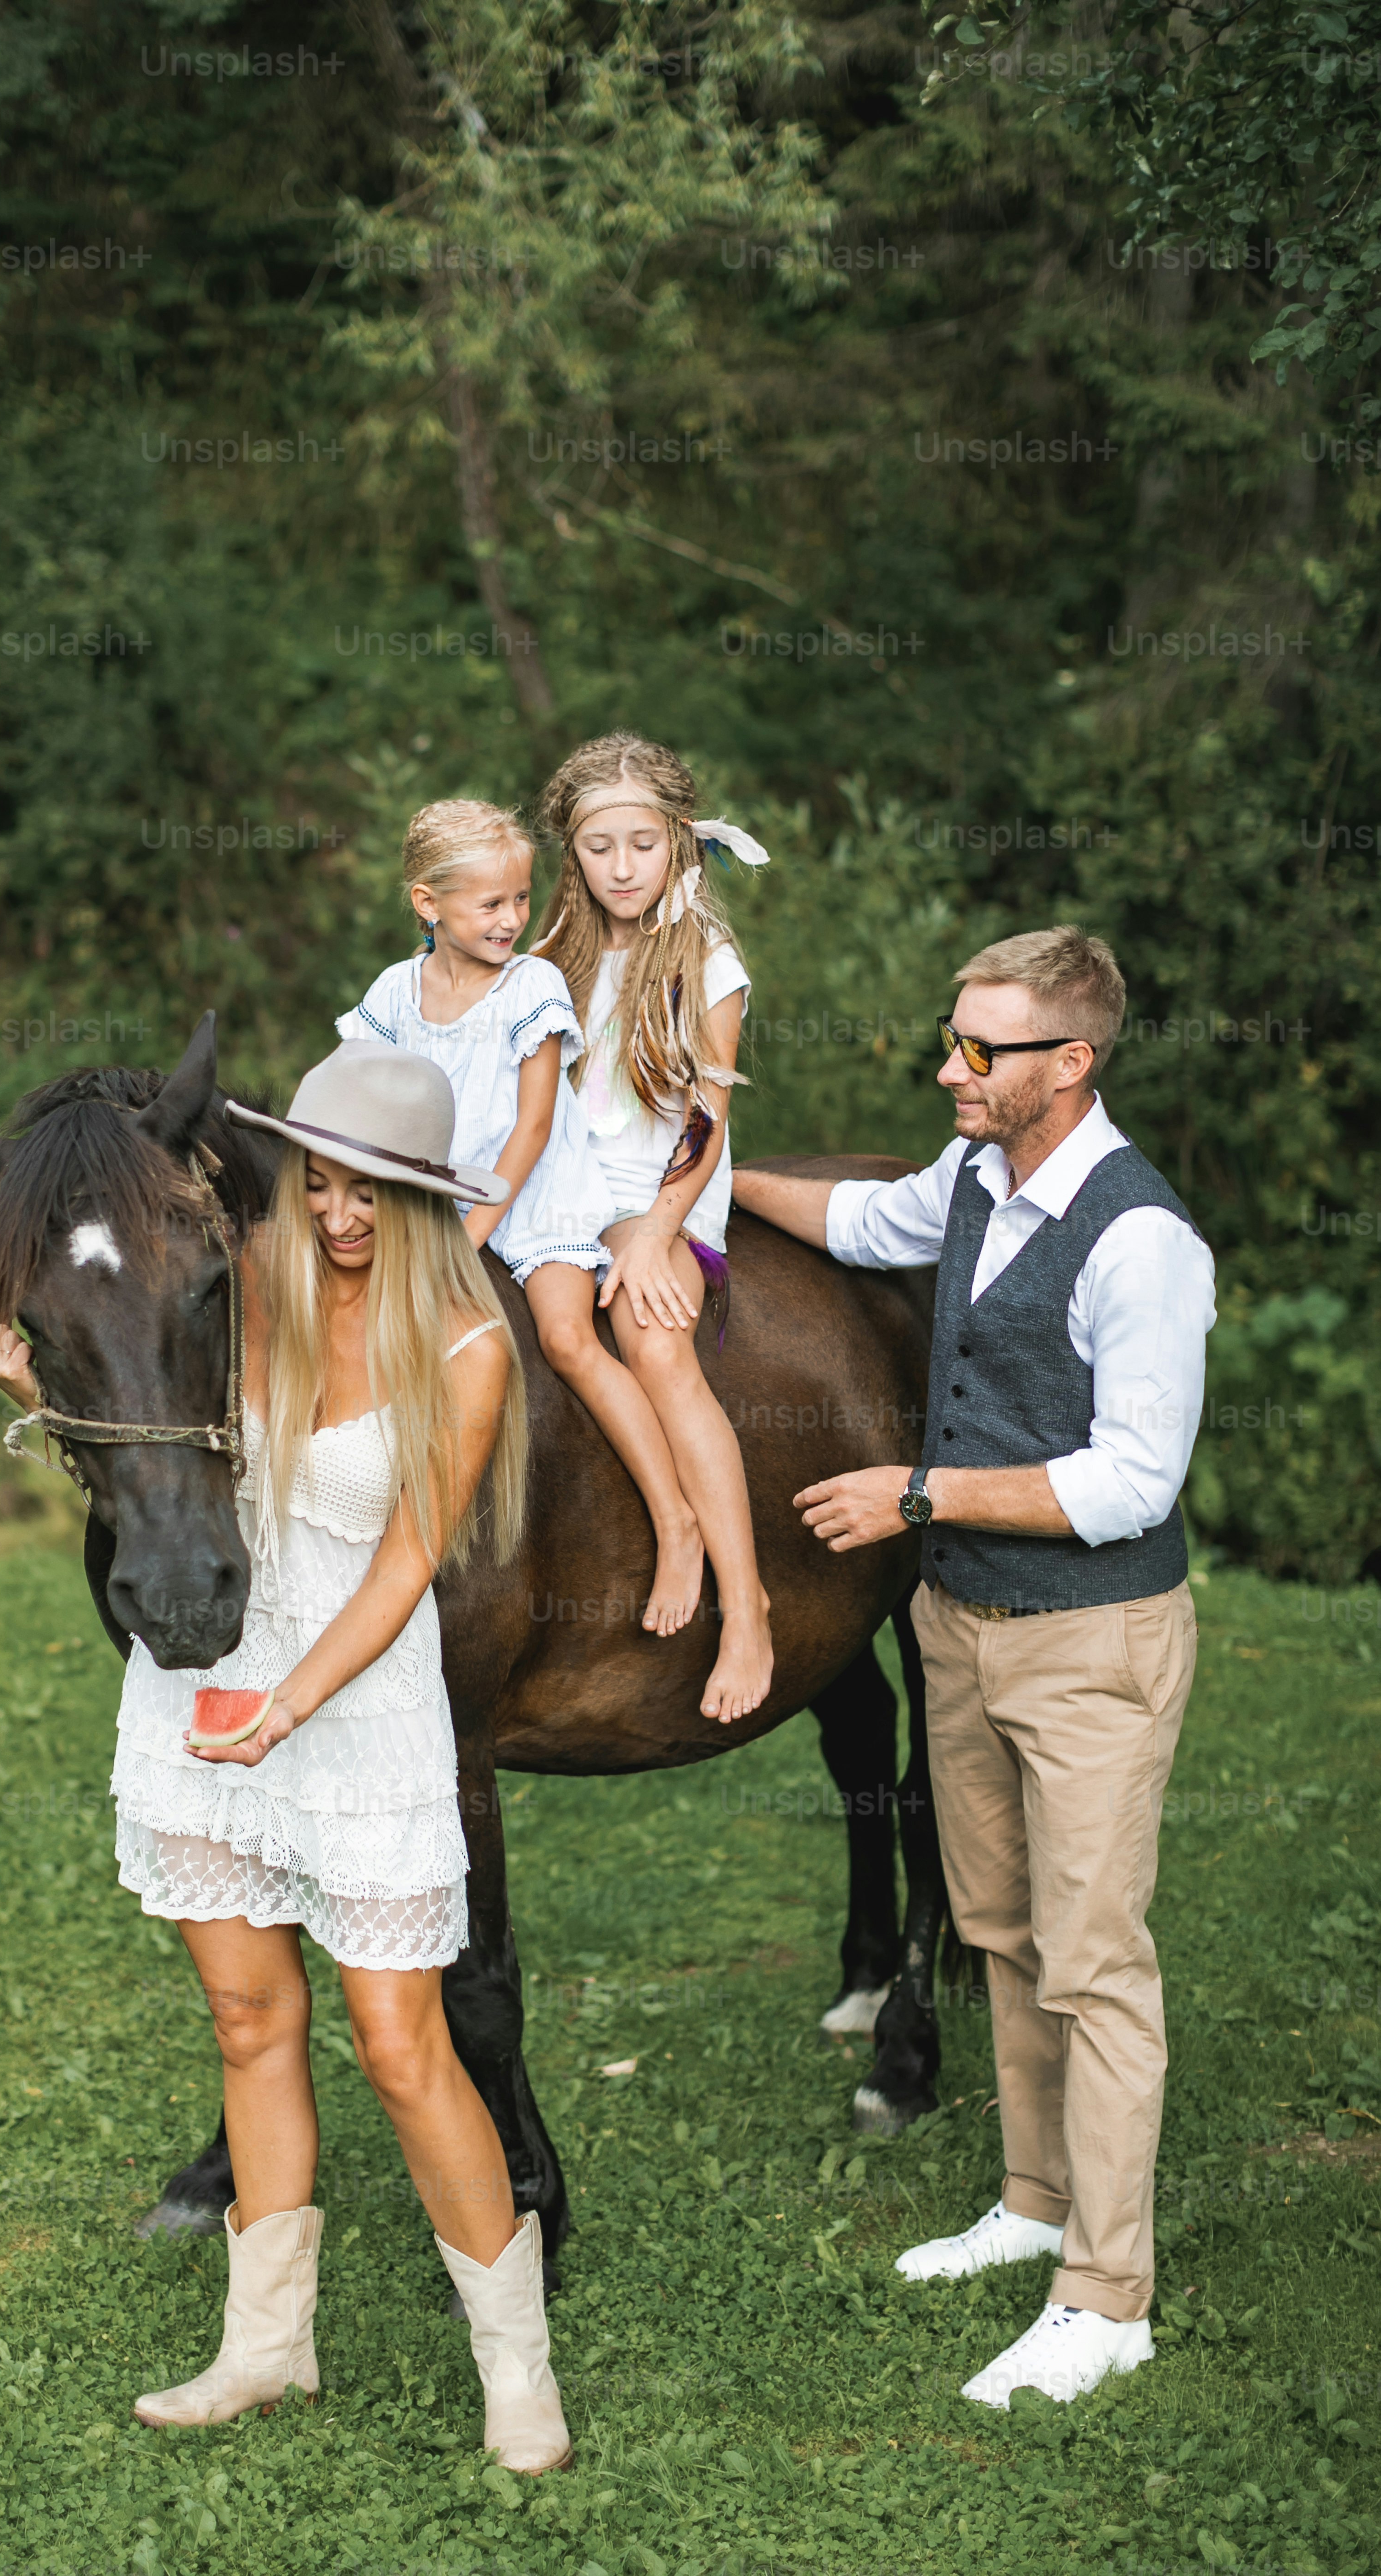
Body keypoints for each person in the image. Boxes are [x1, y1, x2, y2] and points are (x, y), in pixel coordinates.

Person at [0, 1042, 571, 2473]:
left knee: (400, 2044)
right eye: (320, 1179)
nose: (340, 1213)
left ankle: (517, 2367)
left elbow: (407, 1561)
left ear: (427, 1197)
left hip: (346, 1703)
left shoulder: (468, 1345)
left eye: (372, 1191)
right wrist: (25, 1366)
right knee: (248, 2023)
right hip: (208, 1692)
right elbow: (129, 1365)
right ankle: (264, 2346)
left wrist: (289, 1706)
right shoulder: (244, 1287)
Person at [733, 926, 1215, 2408]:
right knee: (999, 1930)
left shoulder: (1141, 1240)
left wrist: (917, 1494)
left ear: (1070, 1064)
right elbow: (868, 1227)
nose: (949, 1068)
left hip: (1090, 1645)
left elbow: (1131, 1480)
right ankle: (1032, 2201)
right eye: (953, 1039)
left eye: (979, 1051)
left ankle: (1109, 2294)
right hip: (963, 1630)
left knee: (1095, 1963)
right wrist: (692, 1180)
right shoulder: (974, 1180)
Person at [337, 795, 703, 1638]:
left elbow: (533, 1126)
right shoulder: (396, 991)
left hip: (533, 1193)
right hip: (433, 1198)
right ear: (428, 905)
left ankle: (676, 1522)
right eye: (490, 904)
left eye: (521, 901)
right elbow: (358, 1093)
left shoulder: (530, 986)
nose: (511, 920)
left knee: (567, 1339)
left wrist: (471, 1230)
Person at [534, 731, 774, 1724]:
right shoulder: (551, 954)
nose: (621, 867)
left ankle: (744, 1599)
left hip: (658, 1182)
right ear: (573, 855)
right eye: (600, 848)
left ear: (678, 840)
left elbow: (705, 1118)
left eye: (641, 844)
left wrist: (652, 1231)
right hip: (560, 1184)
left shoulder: (704, 959)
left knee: (652, 1338)